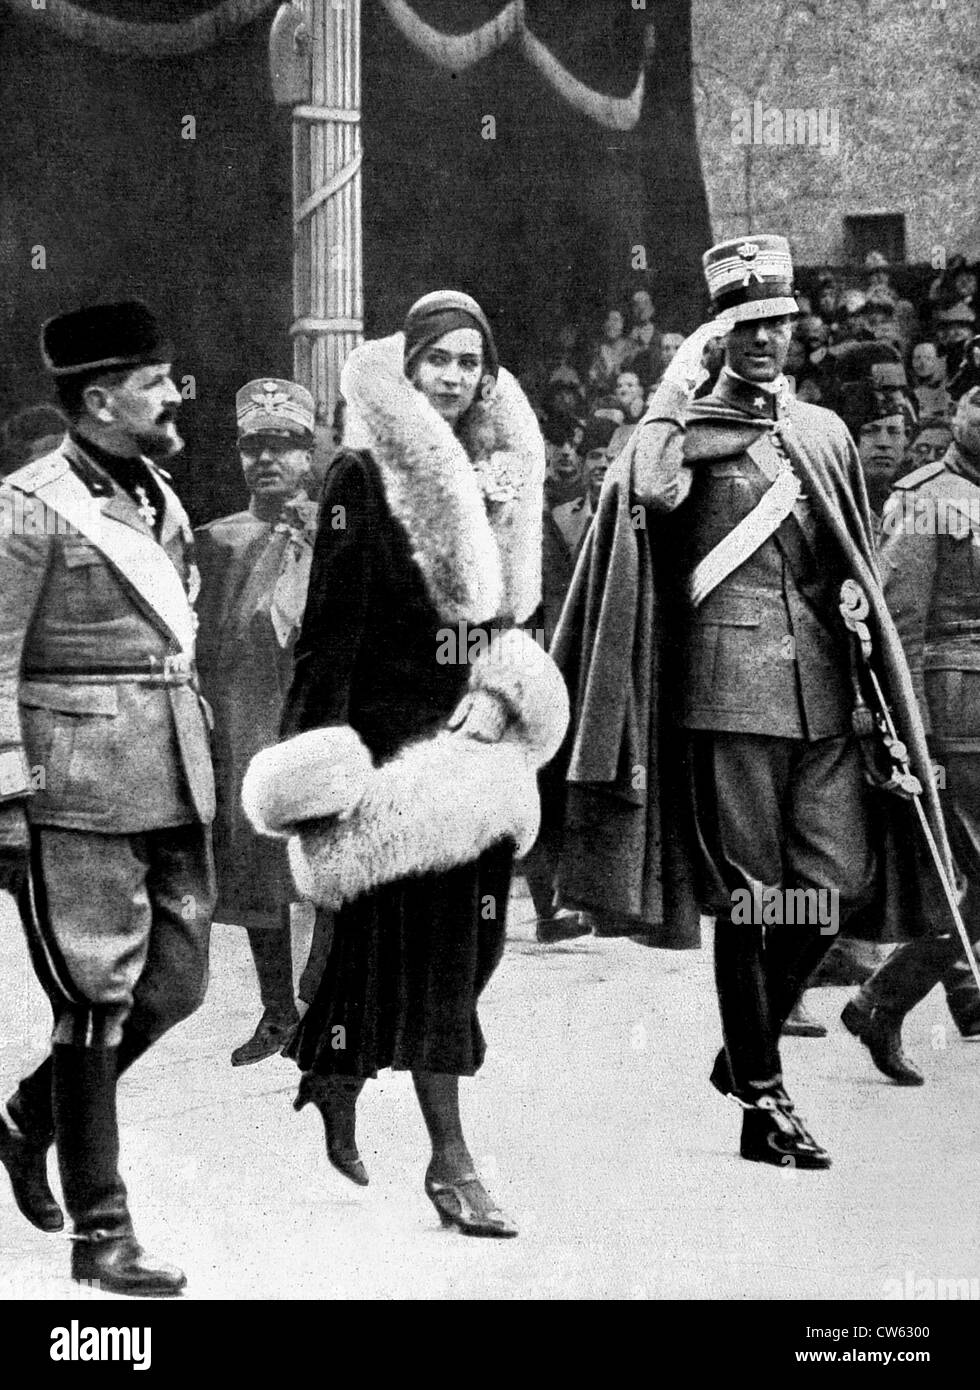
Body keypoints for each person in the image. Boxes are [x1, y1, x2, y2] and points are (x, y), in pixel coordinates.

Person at [548, 235, 951, 1169]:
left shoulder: (823, 434)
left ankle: (745, 1048)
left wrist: (862, 634)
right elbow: (645, 491)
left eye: (777, 322)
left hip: (824, 695)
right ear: (716, 335)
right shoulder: (683, 434)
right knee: (755, 899)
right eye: (744, 325)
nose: (766, 339)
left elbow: (849, 557)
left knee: (838, 882)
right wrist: (665, 395)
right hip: (725, 696)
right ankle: (763, 1099)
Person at [271, 290, 555, 1236]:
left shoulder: (502, 472)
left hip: (477, 745)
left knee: (467, 951)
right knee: (426, 956)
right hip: (393, 754)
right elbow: (327, 638)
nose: (455, 378)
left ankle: (334, 1065)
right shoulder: (362, 473)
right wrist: (318, 780)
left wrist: (502, 688)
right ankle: (452, 1161)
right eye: (439, 360)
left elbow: (513, 620)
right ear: (408, 367)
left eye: (472, 364)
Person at [0, 301, 215, 1295]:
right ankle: (104, 1233)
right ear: (101, 397)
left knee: (175, 986)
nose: (174, 395)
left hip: (169, 769)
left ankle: (25, 1121)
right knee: (92, 999)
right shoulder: (30, 504)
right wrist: (8, 795)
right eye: (157, 381)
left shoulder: (159, 492)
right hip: (73, 782)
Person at [842, 386, 980, 1083]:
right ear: (958, 413)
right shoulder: (927, 497)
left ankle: (881, 1001)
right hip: (957, 713)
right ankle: (882, 998)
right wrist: (914, 739)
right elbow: (896, 627)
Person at [195, 379, 320, 1065]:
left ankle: (319, 992)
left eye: (285, 445)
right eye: (254, 446)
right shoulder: (216, 541)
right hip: (249, 715)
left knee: (334, 858)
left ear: (311, 451)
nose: (268, 459)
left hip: (319, 716)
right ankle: (277, 1009)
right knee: (253, 858)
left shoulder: (339, 532)